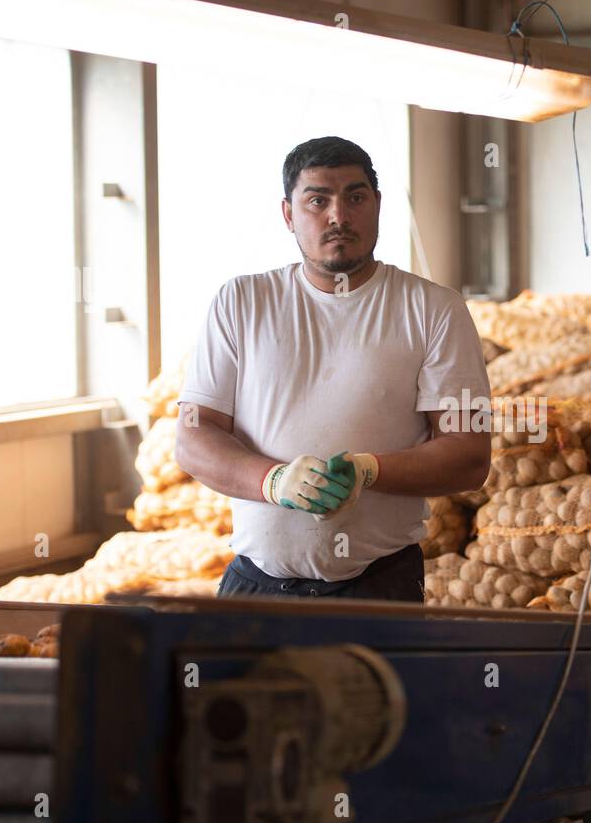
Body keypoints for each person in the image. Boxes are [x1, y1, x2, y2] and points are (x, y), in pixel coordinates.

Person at [175, 136, 491, 603]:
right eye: (317, 200)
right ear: (288, 214)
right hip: (256, 587)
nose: (338, 216)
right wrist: (274, 481)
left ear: (378, 205)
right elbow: (193, 436)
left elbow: (468, 452)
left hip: (380, 588)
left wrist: (368, 471)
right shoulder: (241, 302)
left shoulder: (435, 309)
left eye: (355, 198)